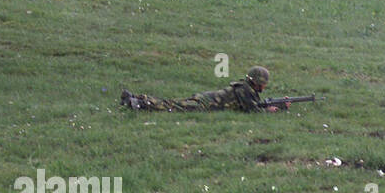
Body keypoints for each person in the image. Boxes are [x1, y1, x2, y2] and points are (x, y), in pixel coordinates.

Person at [120, 66, 284, 112]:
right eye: (263, 83)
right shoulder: (245, 90)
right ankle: (139, 103)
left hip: (206, 99)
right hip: (206, 103)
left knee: (173, 103)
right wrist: (271, 110)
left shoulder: (246, 88)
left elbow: (255, 104)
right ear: (256, 82)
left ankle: (139, 98)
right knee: (173, 106)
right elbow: (252, 109)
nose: (264, 86)